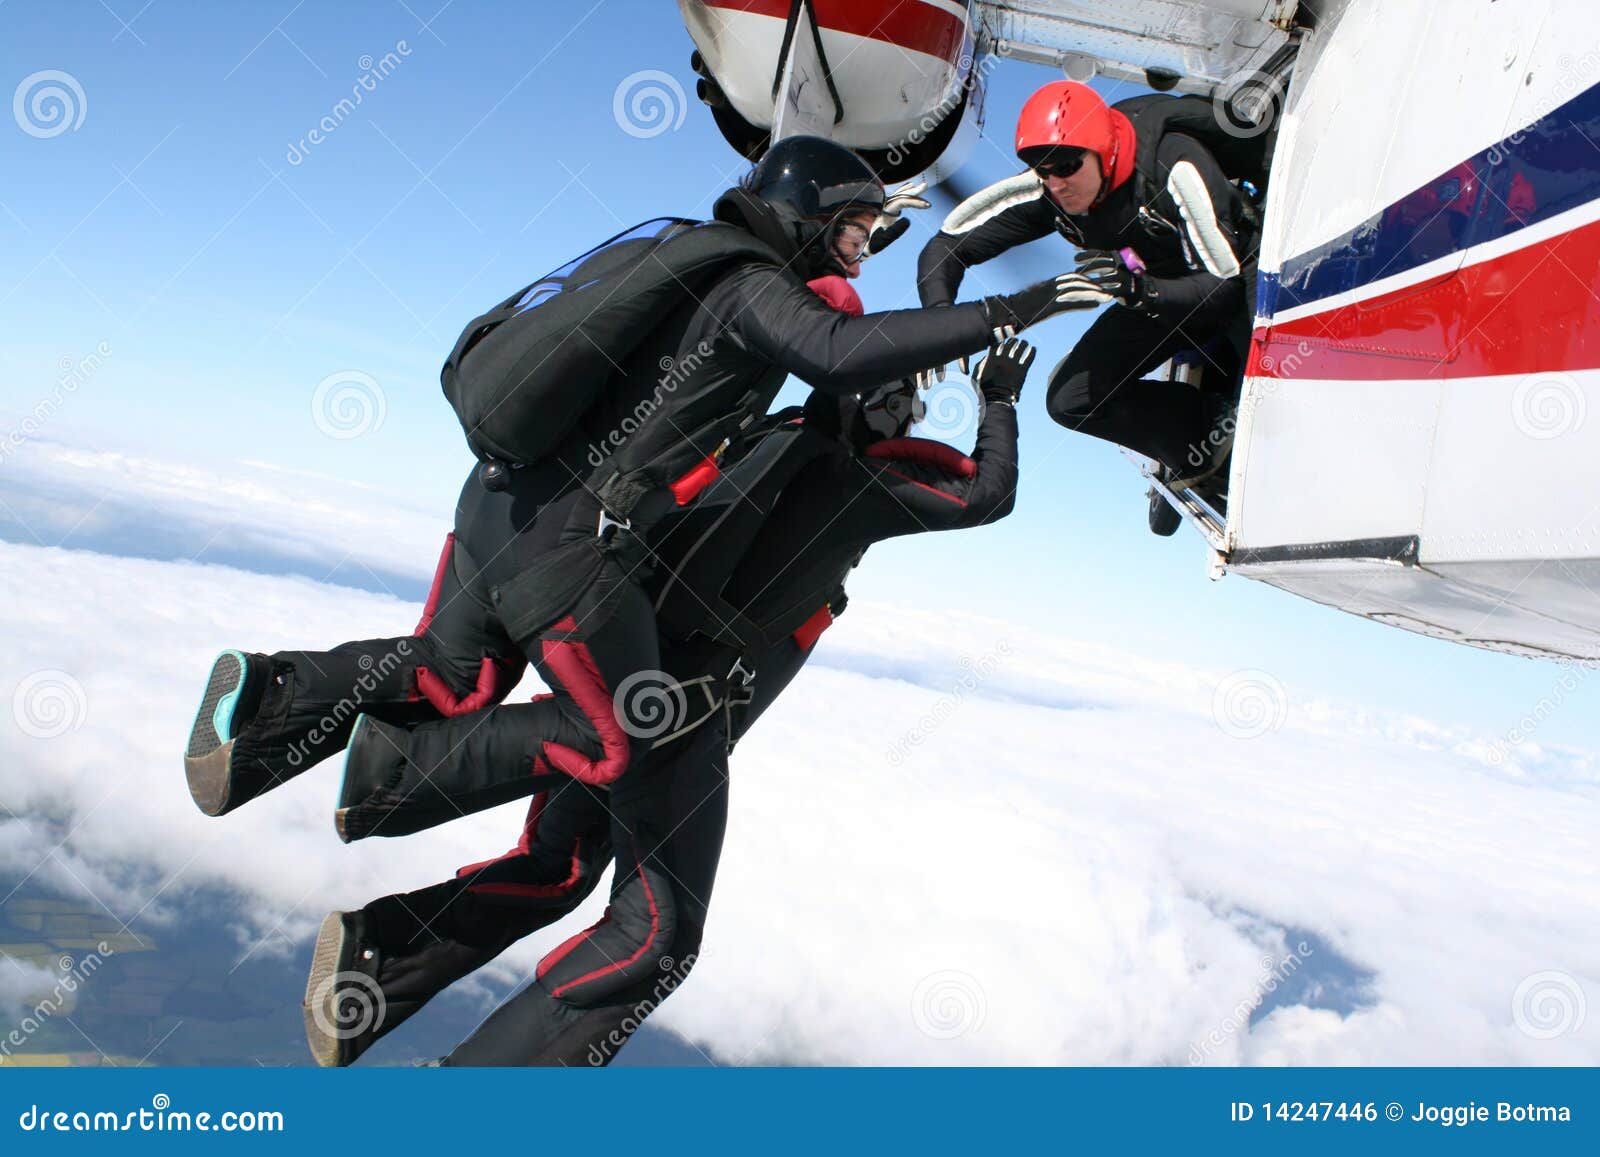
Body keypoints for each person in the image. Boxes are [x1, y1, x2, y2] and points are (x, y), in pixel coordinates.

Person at [183, 135, 1094, 826]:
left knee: (448, 681)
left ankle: (260, 701)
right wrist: (1017, 307)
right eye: (854, 231)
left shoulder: (689, 260)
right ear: (810, 217)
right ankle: (383, 771)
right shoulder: (752, 287)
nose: (861, 252)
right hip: (571, 553)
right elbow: (840, 354)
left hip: (497, 503)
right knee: (619, 736)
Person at [302, 323, 1036, 1068]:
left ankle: (376, 962)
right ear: (877, 416)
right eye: (903, 408)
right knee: (656, 938)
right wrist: (999, 400)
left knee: (557, 866)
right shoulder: (860, 482)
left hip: (635, 674)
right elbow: (985, 492)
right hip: (689, 714)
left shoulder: (759, 441)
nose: (909, 421)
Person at [917, 81, 1259, 478]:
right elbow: (946, 247)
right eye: (1042, 170)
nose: (1056, 183)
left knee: (1271, 380)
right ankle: (1200, 431)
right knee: (1070, 400)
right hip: (1157, 294)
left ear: (1105, 152)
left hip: (1232, 275)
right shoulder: (1048, 188)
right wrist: (940, 327)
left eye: (1066, 167)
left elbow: (1223, 285)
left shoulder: (1174, 165)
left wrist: (1142, 290)